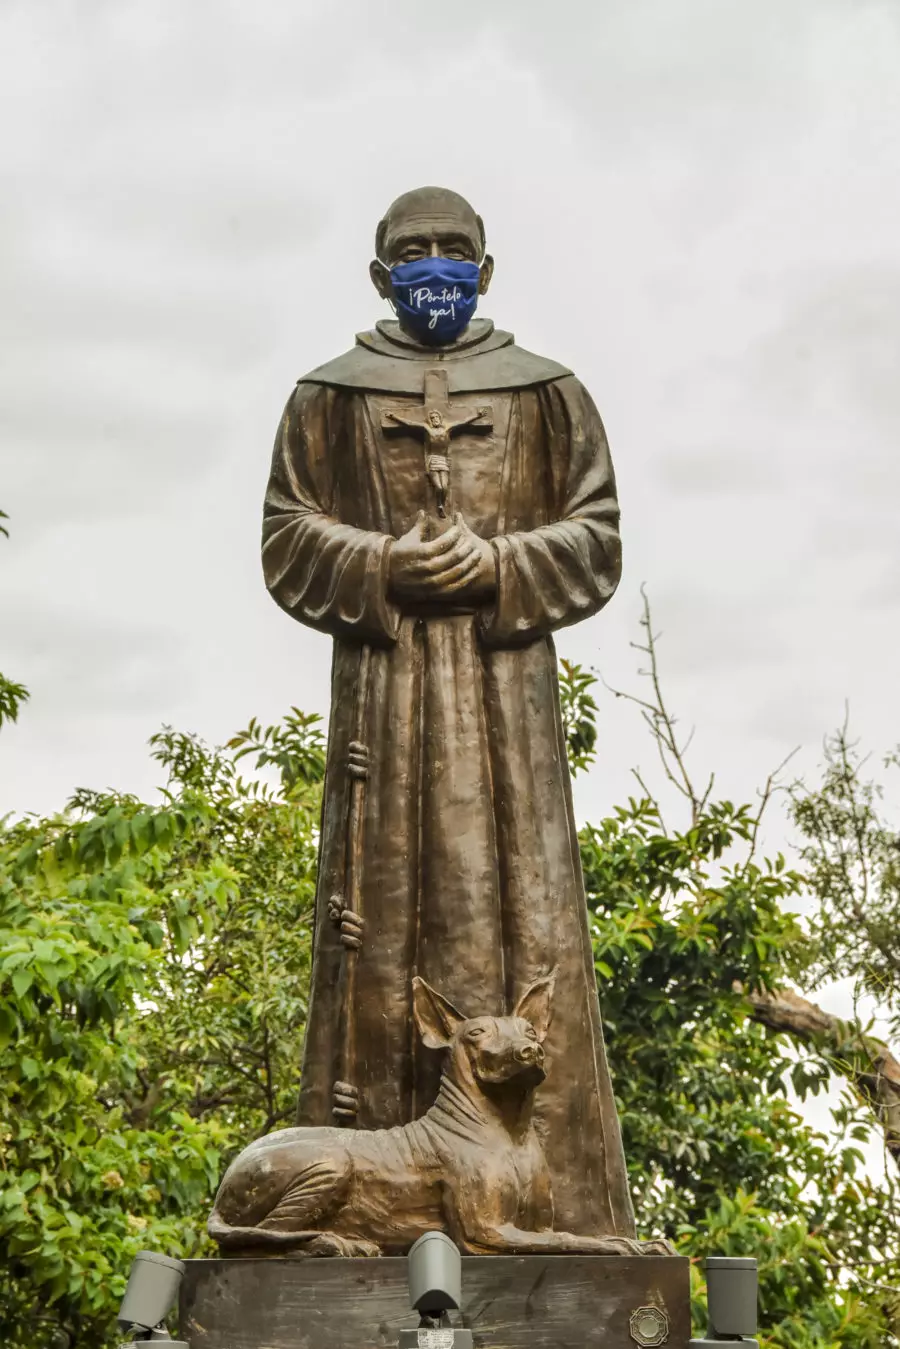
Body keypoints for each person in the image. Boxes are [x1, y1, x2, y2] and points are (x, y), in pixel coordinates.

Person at [261, 185, 634, 1238]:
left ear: (487, 267)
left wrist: (497, 559)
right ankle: (375, 1206)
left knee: (525, 907)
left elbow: (596, 535)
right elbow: (288, 534)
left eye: (454, 249)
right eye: (413, 252)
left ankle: (557, 1210)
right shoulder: (328, 396)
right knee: (374, 935)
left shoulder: (547, 392)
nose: (436, 265)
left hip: (504, 695)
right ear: (381, 275)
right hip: (386, 689)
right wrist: (383, 561)